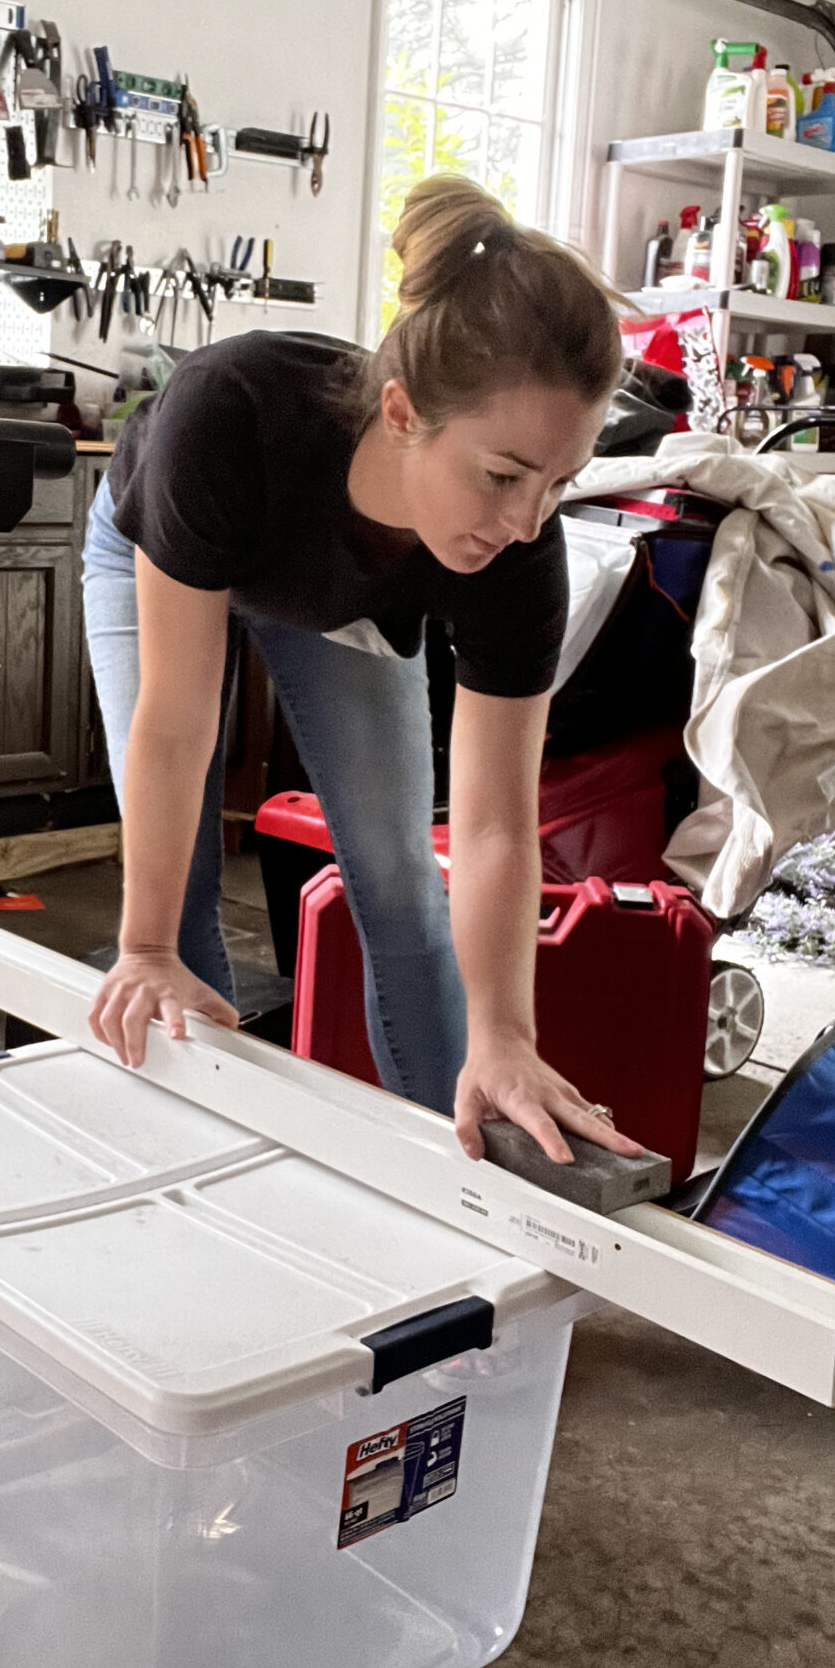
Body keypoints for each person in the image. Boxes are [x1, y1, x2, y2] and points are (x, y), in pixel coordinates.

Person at [81, 173, 643, 1167]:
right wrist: (144, 951)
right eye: (504, 474)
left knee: (397, 876)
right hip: (162, 543)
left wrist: (507, 1033)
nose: (524, 520)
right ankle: (195, 1166)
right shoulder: (225, 412)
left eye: (559, 483)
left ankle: (453, 1170)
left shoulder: (519, 546)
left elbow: (497, 822)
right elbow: (175, 724)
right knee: (174, 899)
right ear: (401, 412)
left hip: (342, 596)